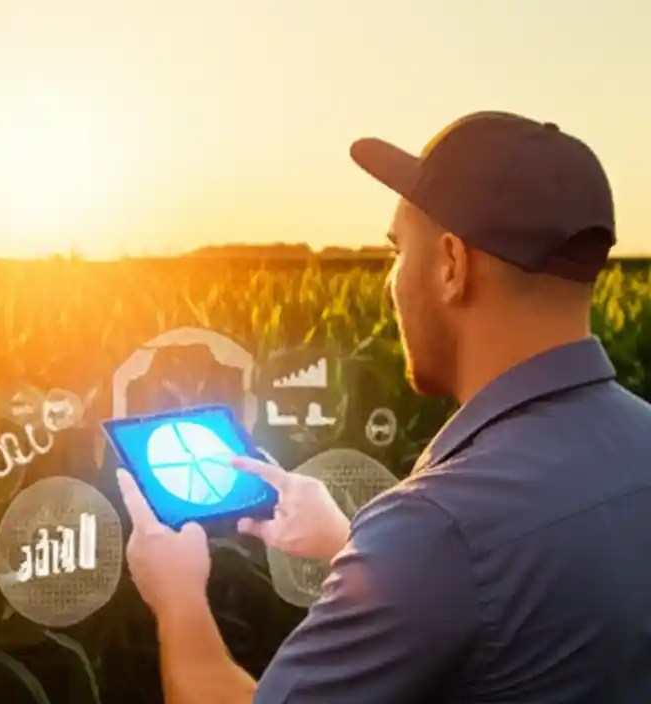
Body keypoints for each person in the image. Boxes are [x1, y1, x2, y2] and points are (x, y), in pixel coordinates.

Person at [116, 111, 651, 703]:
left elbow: (460, 560)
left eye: (398, 251)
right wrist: (352, 546)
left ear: (452, 266)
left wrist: (178, 598)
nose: (389, 282)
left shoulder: (436, 528)